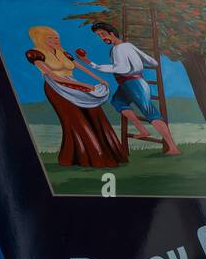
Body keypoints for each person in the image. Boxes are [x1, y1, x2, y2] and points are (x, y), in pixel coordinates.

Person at [25, 25, 127, 169]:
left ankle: (111, 153)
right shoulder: (35, 54)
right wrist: (84, 86)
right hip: (57, 89)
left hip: (74, 85)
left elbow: (80, 67)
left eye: (56, 37)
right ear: (41, 39)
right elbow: (53, 76)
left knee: (95, 113)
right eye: (50, 38)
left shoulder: (63, 53)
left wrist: (99, 79)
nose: (55, 40)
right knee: (76, 121)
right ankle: (93, 157)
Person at [76, 21, 180, 155]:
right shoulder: (128, 46)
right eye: (99, 36)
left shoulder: (118, 49)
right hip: (129, 84)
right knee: (118, 102)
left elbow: (123, 68)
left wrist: (92, 64)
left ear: (112, 33)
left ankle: (173, 148)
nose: (102, 38)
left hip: (133, 84)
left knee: (150, 112)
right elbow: (152, 62)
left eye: (103, 34)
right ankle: (142, 130)